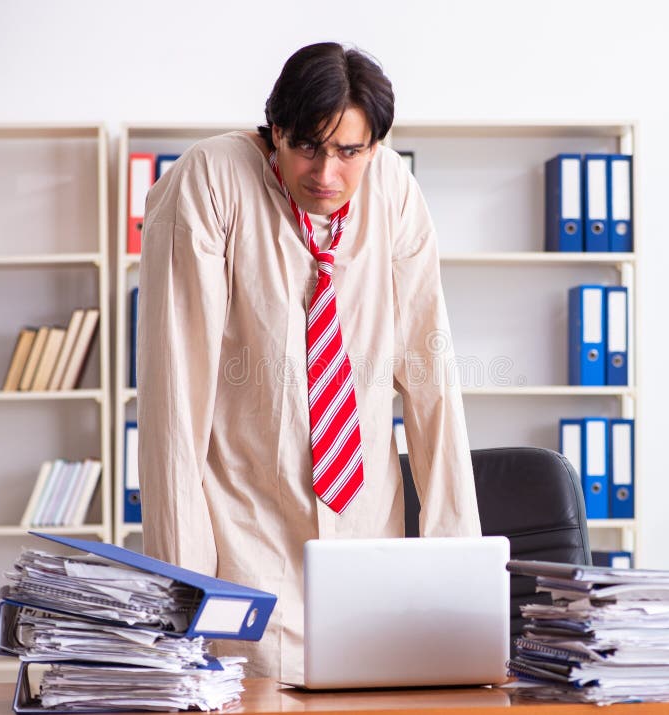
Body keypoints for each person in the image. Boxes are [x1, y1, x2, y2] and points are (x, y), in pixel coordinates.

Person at [137, 42, 481, 681]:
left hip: (368, 551)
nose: (326, 172)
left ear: (376, 146)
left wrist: (455, 580)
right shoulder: (211, 181)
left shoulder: (395, 193)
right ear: (274, 133)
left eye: (349, 151)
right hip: (245, 544)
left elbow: (434, 384)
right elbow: (173, 404)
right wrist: (182, 593)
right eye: (306, 147)